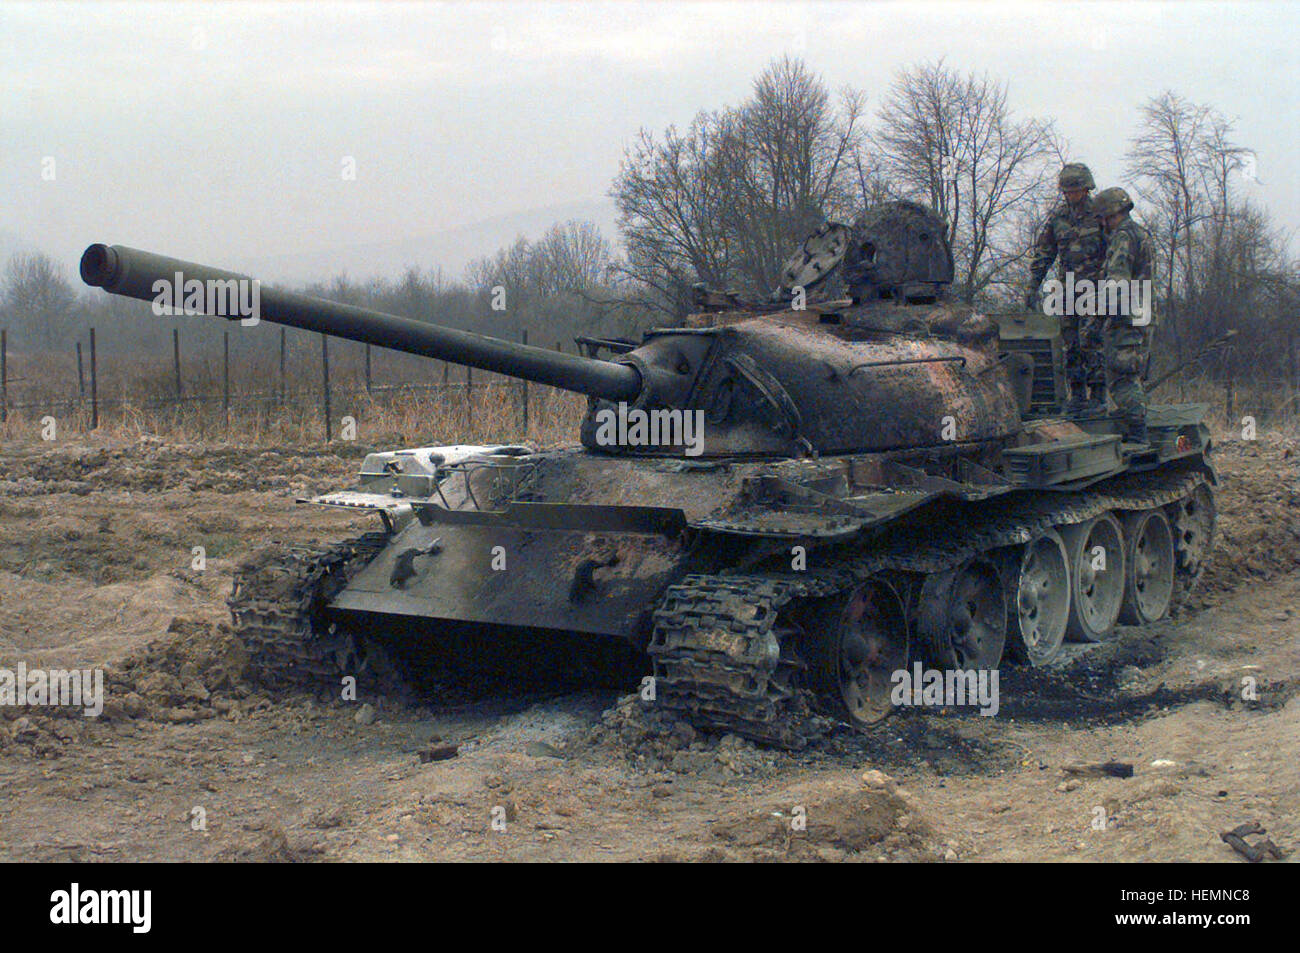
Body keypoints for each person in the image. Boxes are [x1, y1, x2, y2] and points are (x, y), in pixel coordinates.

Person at [1026, 163, 1107, 414]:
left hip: (1096, 289)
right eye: (1068, 191)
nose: (1072, 195)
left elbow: (1117, 250)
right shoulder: (1059, 218)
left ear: (1086, 189)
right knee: (1070, 342)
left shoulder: (1101, 215)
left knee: (1091, 340)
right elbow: (1045, 252)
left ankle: (1098, 395)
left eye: (1076, 190)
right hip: (1068, 291)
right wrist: (1033, 285)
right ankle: (1077, 394)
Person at [1095, 186, 1154, 444]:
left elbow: (1116, 284)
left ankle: (1138, 436)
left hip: (1125, 317)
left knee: (1122, 377)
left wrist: (1098, 318)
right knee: (1134, 375)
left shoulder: (1122, 237)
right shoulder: (1141, 233)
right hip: (1142, 313)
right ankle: (1137, 429)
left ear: (1109, 215)